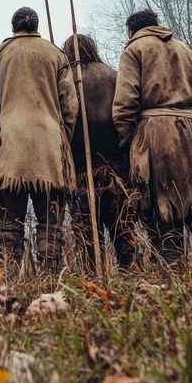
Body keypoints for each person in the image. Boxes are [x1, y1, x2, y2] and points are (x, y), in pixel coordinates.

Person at [112, 9, 192, 263]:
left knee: (161, 208)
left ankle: (172, 269)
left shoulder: (134, 49)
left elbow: (125, 102)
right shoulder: (186, 51)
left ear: (131, 31)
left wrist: (128, 141)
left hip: (155, 134)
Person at [0, 7, 77, 273]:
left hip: (10, 148)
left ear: (14, 27)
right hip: (49, 147)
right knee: (50, 223)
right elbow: (70, 107)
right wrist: (62, 138)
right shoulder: (56, 55)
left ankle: (8, 279)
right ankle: (50, 277)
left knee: (9, 224)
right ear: (36, 26)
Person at [62, 33, 138, 271]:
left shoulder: (64, 81)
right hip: (114, 167)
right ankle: (130, 270)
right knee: (122, 224)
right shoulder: (114, 76)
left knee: (86, 229)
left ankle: (92, 275)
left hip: (80, 170)